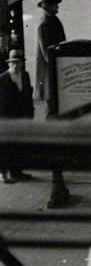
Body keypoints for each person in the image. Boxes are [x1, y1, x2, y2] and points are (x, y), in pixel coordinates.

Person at [33, 0, 72, 208]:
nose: (58, 6)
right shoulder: (44, 24)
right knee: (51, 109)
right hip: (51, 74)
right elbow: (48, 53)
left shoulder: (52, 20)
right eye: (55, 4)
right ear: (48, 6)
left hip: (57, 69)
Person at [0, 48, 35, 181]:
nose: (15, 65)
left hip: (23, 117)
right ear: (9, 63)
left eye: (18, 62)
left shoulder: (25, 76)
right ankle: (4, 173)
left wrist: (30, 113)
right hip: (7, 118)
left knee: (20, 146)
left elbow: (28, 96)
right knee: (7, 146)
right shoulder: (2, 79)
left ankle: (17, 172)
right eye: (13, 62)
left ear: (22, 63)